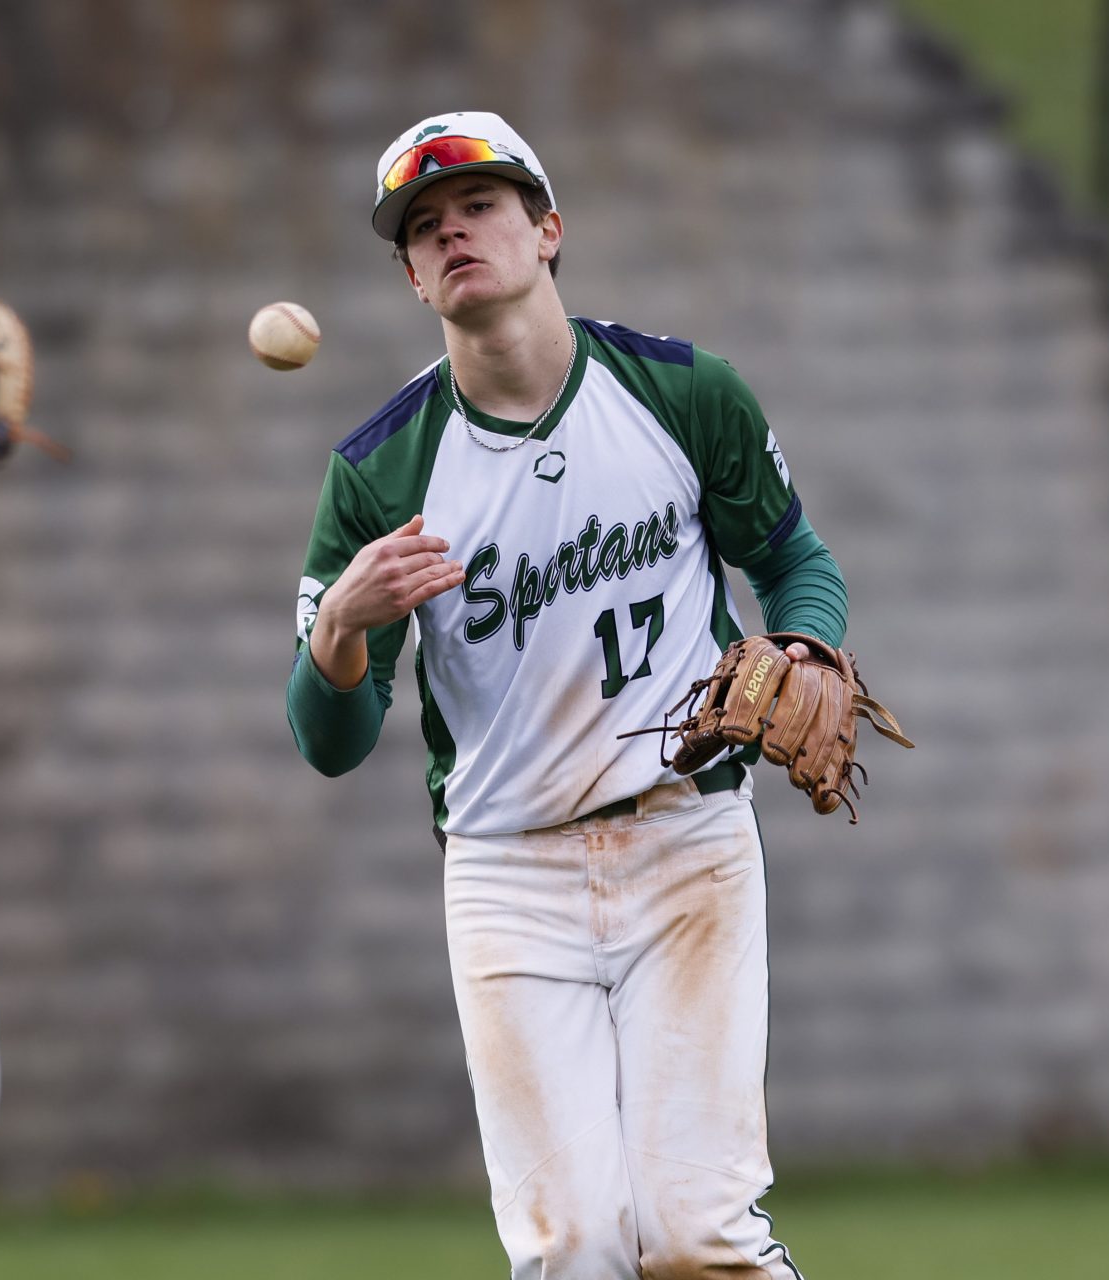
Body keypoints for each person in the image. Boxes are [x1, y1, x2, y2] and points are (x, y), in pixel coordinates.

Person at [288, 111, 843, 1278]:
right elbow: (331, 739)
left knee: (700, 1237)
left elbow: (795, 560)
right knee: (572, 1246)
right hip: (507, 873)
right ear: (411, 279)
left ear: (547, 229)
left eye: (479, 207)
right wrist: (341, 624)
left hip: (686, 837)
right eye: (424, 229)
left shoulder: (680, 391)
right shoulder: (383, 470)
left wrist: (803, 646)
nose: (453, 235)